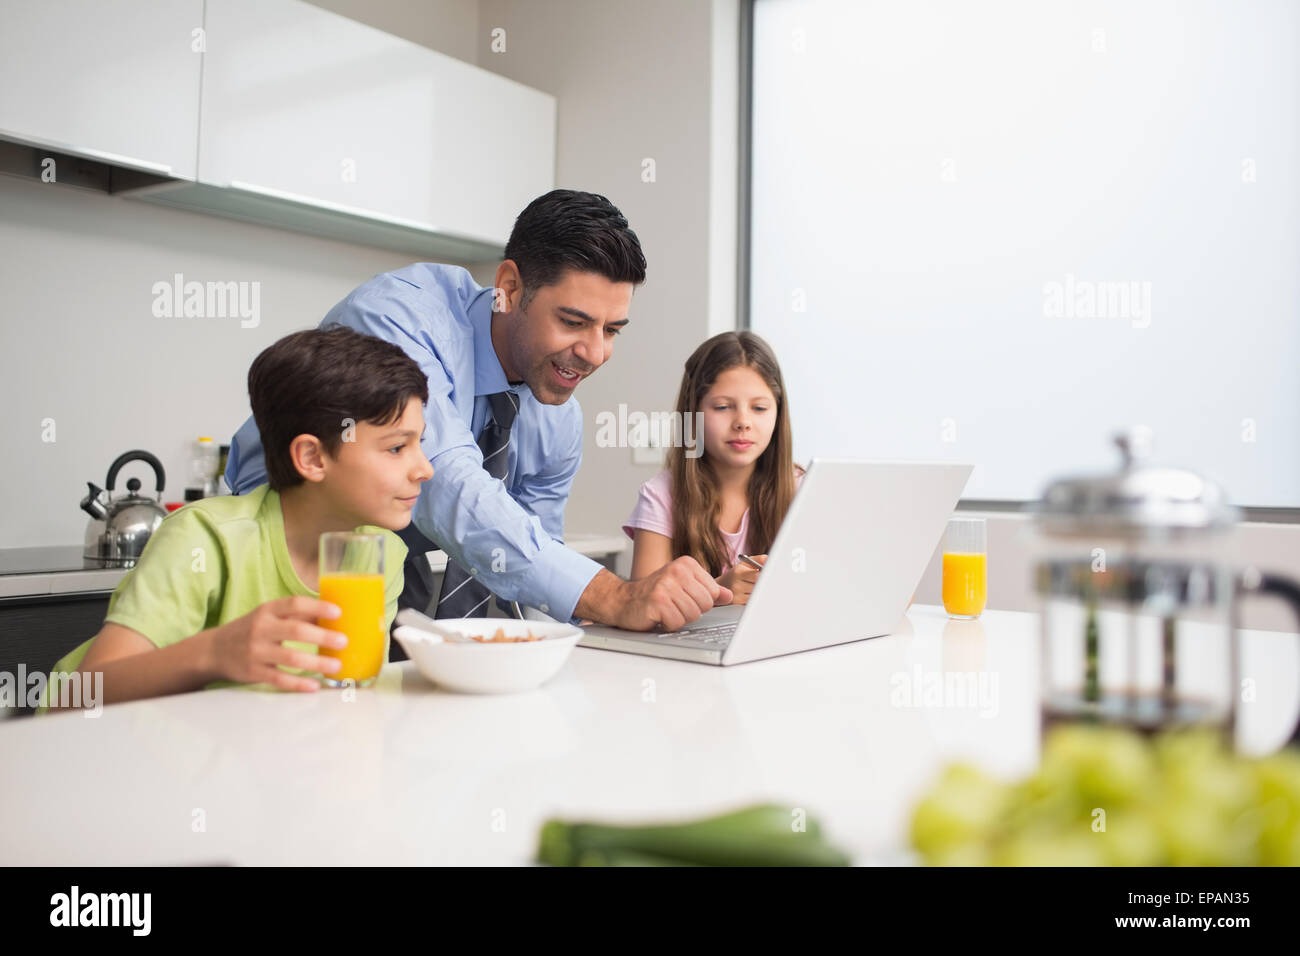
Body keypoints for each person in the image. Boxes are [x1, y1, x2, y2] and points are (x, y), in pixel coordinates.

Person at [225, 189, 730, 637]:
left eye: (612, 330)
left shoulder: (559, 421)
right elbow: (444, 480)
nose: (595, 353)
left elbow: (533, 560)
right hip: (281, 563)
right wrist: (614, 596)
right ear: (508, 286)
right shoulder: (399, 318)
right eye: (573, 321)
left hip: (393, 572)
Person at [42, 326, 431, 710]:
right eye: (397, 447)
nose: (425, 469)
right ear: (312, 458)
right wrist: (213, 652)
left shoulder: (381, 554)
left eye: (419, 444)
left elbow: (349, 697)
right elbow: (76, 699)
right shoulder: (205, 538)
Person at [624, 331, 805, 605]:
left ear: (778, 414)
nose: (743, 422)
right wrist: (720, 591)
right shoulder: (661, 496)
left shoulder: (801, 489)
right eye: (722, 407)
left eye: (759, 408)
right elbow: (642, 608)